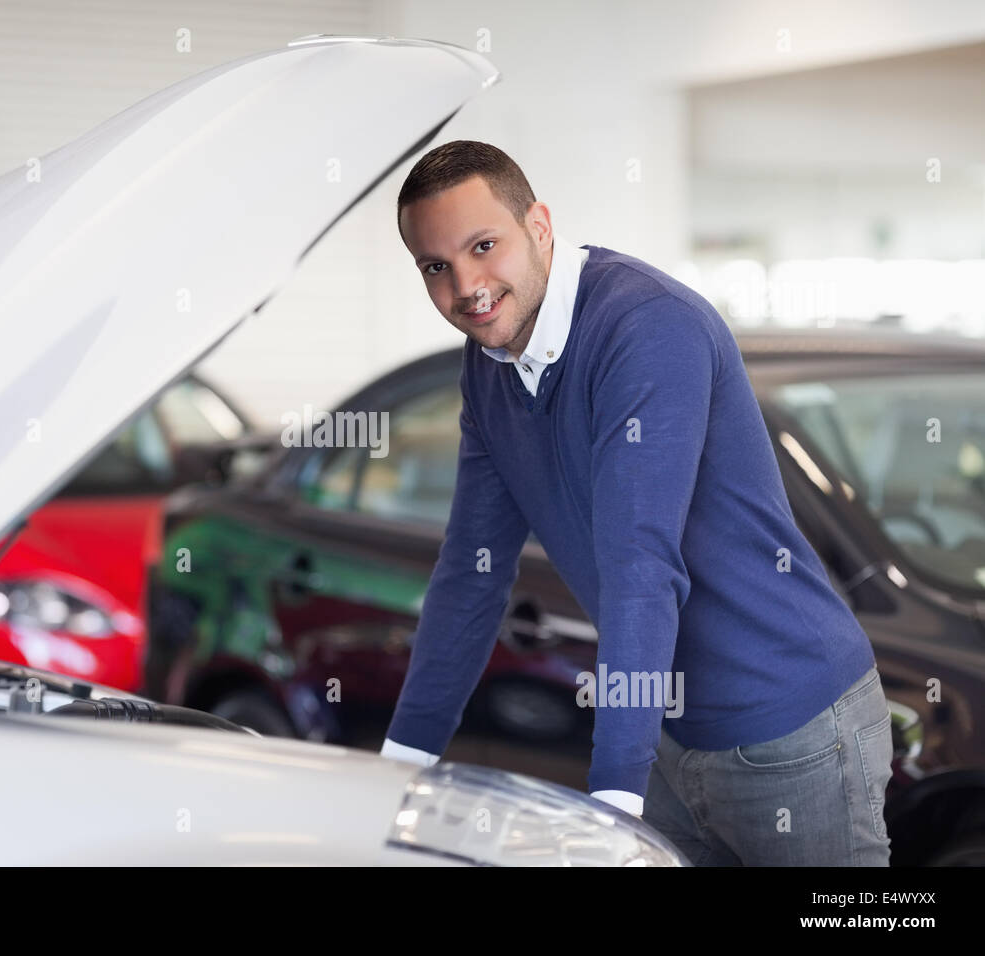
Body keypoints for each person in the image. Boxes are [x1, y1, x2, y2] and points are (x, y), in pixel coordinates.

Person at [379, 139, 892, 866]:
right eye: (436, 266)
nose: (466, 284)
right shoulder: (489, 369)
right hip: (666, 733)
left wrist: (612, 799)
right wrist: (402, 763)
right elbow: (472, 570)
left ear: (540, 226)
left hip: (792, 730)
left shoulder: (645, 327)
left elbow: (639, 563)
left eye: (482, 246)